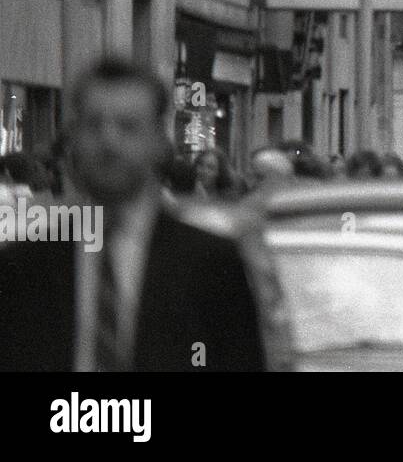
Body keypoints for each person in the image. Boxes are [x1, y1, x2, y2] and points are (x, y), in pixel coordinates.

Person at [0, 57, 267, 371]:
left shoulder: (211, 264)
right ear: (74, 139)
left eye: (128, 126)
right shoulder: (24, 268)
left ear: (157, 140)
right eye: (94, 124)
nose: (109, 141)